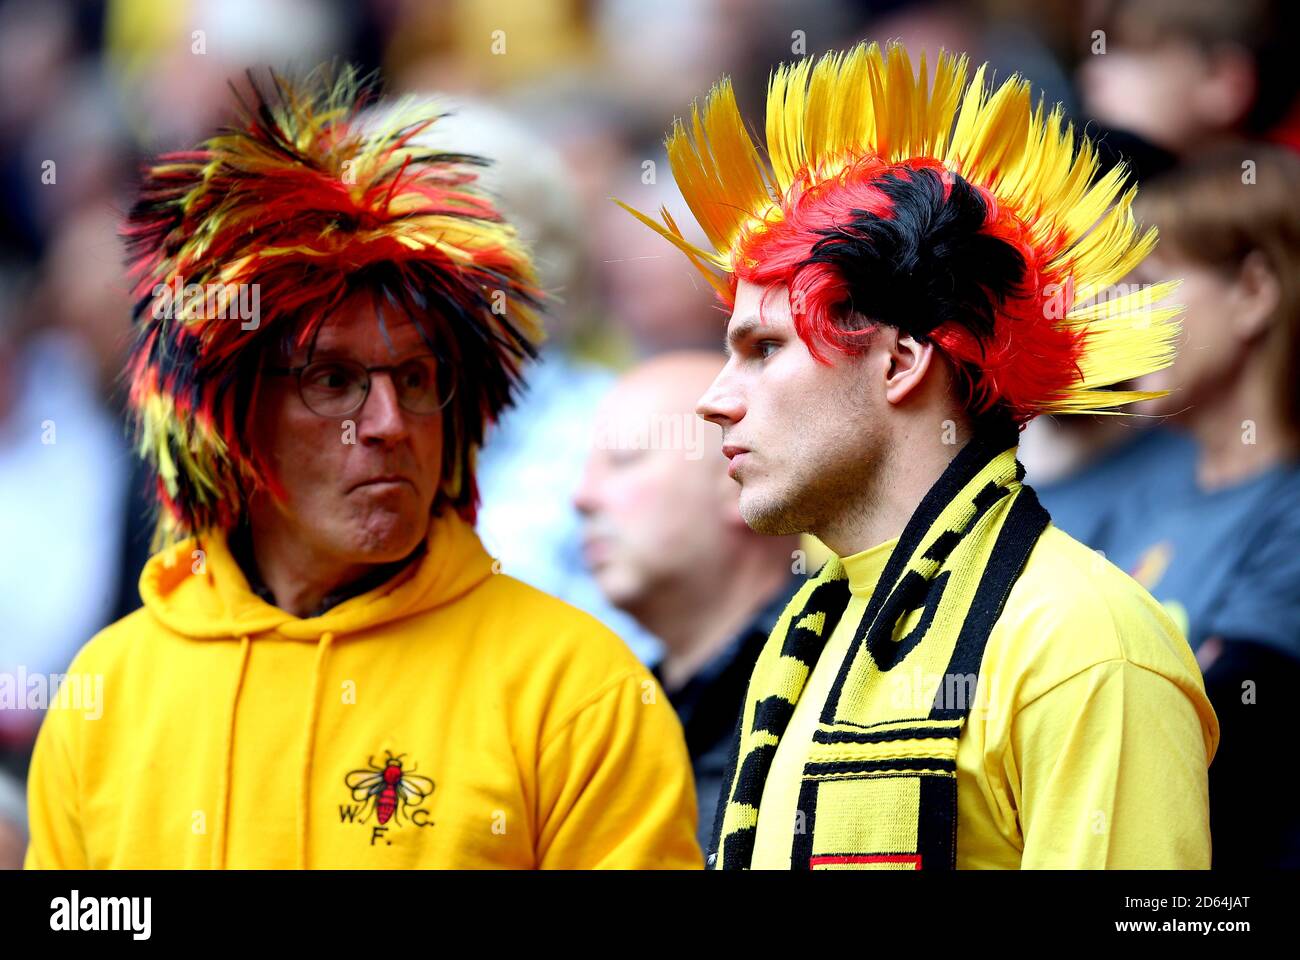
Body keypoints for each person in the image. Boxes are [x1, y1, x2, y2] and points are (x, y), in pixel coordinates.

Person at [23, 67, 700, 870]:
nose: (390, 425)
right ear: (227, 419)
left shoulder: (583, 691)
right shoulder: (110, 691)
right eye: (333, 380)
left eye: (417, 379)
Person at [621, 41, 1218, 869]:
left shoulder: (1081, 639)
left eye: (763, 350)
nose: (713, 398)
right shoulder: (807, 625)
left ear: (900, 364)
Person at [1082, 146, 1300, 867]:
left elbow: (1226, 751)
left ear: (1254, 292)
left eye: (1145, 285)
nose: (1111, 314)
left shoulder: (1289, 511)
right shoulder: (1136, 494)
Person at [574, 351, 802, 852]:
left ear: (738, 477)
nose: (583, 497)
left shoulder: (842, 675)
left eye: (625, 459)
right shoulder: (612, 710)